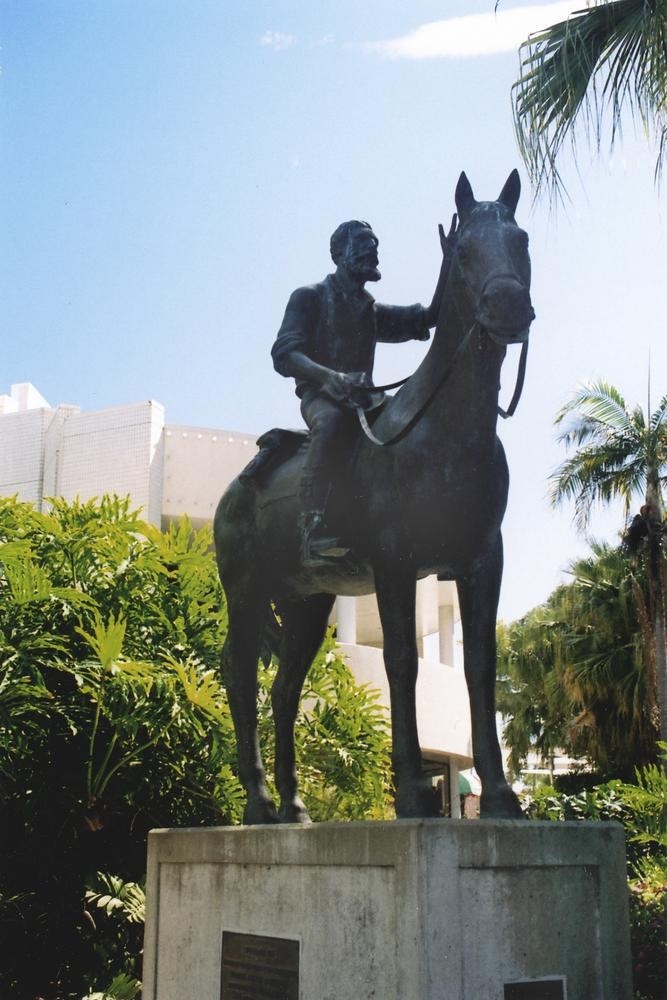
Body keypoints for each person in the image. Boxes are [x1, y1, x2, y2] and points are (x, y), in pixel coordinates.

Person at [271, 218, 454, 566]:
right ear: (340, 252)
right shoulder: (309, 297)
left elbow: (431, 316)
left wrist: (449, 261)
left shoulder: (370, 311)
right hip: (322, 399)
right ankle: (313, 525)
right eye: (365, 242)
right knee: (332, 424)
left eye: (376, 245)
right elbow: (284, 354)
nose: (373, 249)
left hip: (365, 401)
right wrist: (329, 378)